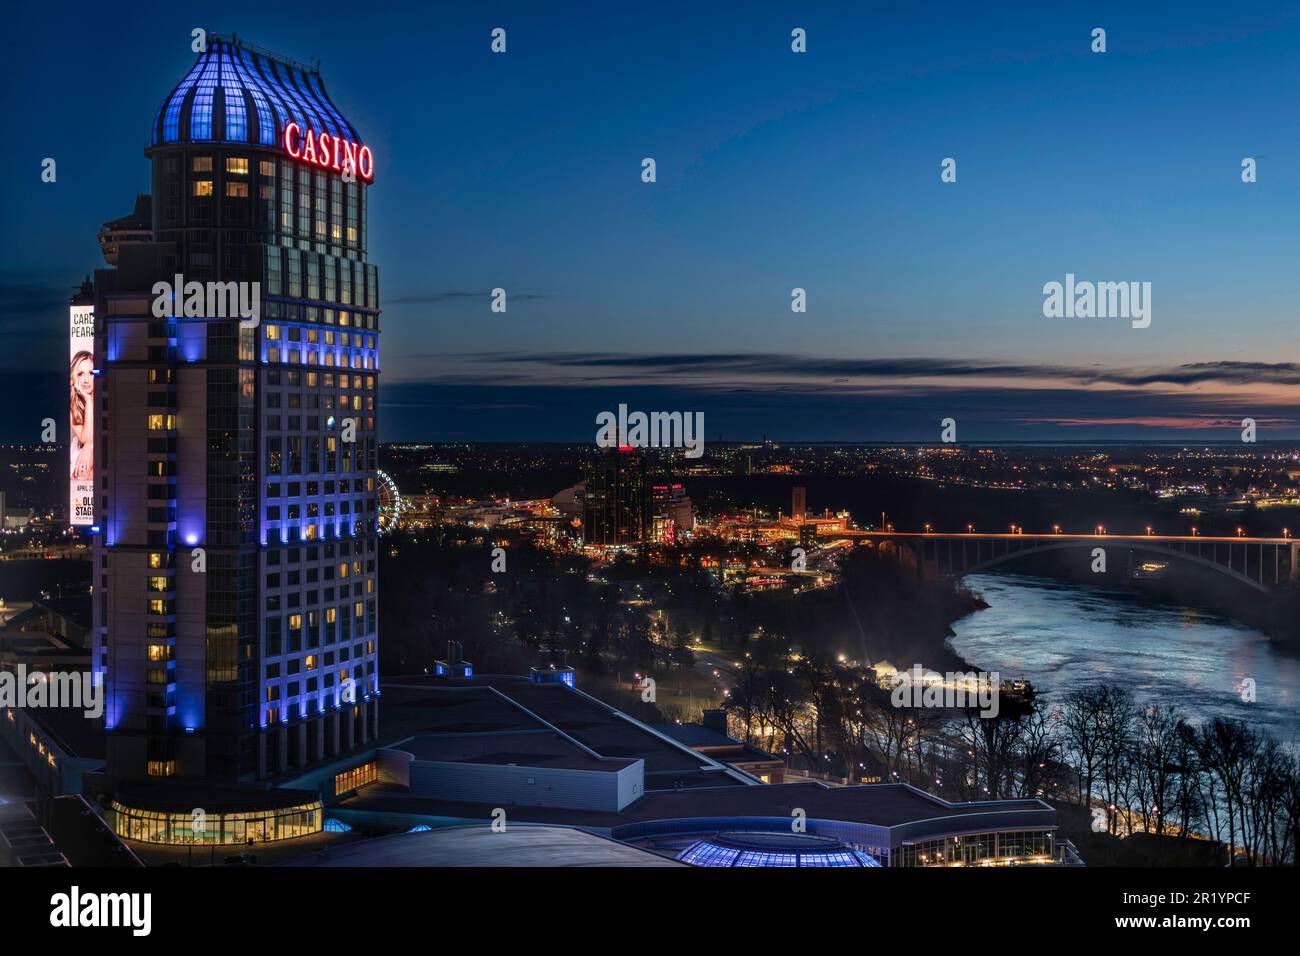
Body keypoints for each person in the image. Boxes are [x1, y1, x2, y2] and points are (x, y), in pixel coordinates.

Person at [70, 351, 94, 481]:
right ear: (74, 377)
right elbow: (86, 438)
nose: (86, 380)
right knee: (83, 472)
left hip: (106, 447)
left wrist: (90, 446)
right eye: (80, 374)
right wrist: (88, 400)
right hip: (82, 449)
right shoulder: (72, 403)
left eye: (90, 373)